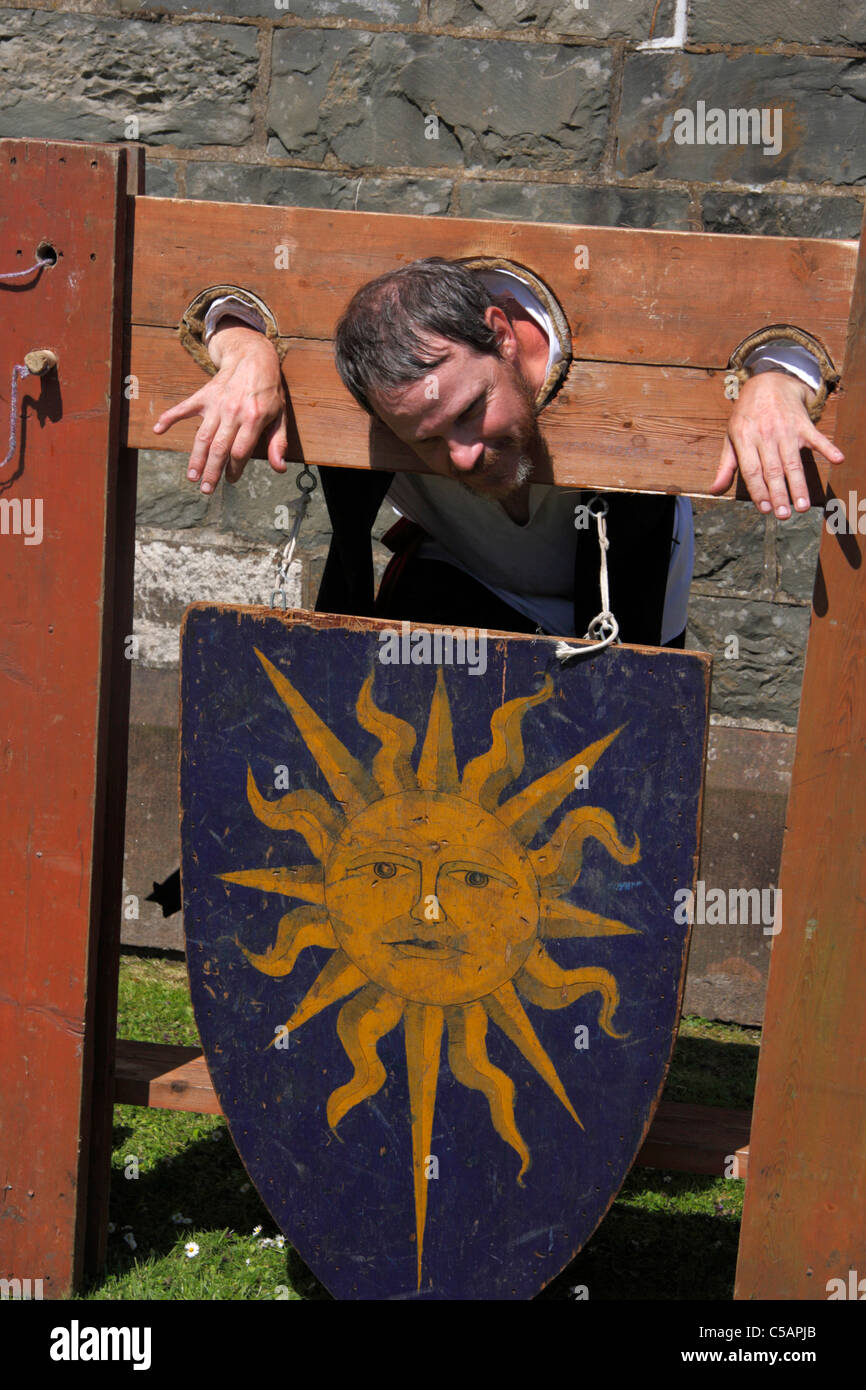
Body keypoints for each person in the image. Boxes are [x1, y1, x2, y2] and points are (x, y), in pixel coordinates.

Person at [153, 256, 842, 648]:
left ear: (501, 334)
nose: (459, 455)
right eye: (425, 439)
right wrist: (241, 346)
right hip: (467, 581)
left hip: (623, 598)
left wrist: (778, 379)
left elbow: (804, 321)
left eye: (470, 412)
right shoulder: (384, 403)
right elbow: (215, 293)